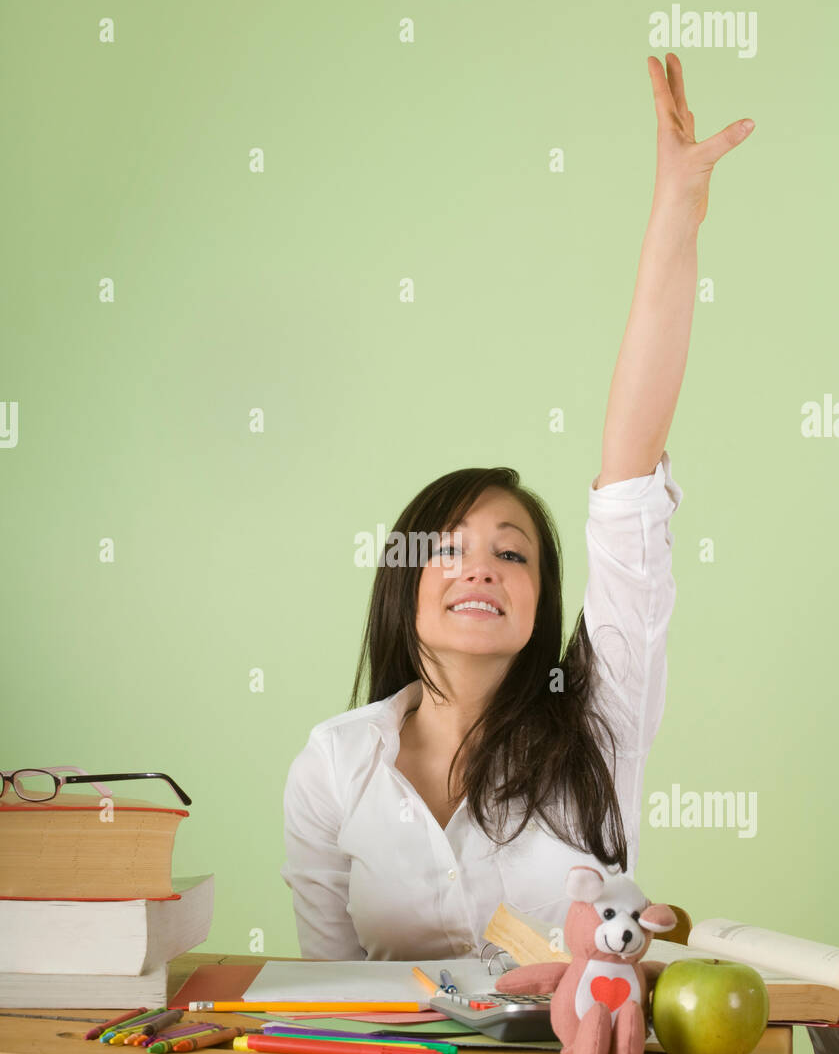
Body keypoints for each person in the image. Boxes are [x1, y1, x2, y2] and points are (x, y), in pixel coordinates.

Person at [280, 54, 754, 961]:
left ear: (540, 598)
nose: (481, 569)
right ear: (401, 580)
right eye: (451, 548)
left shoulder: (598, 716)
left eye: (512, 554)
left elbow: (626, 483)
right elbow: (330, 997)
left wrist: (673, 216)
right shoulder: (334, 766)